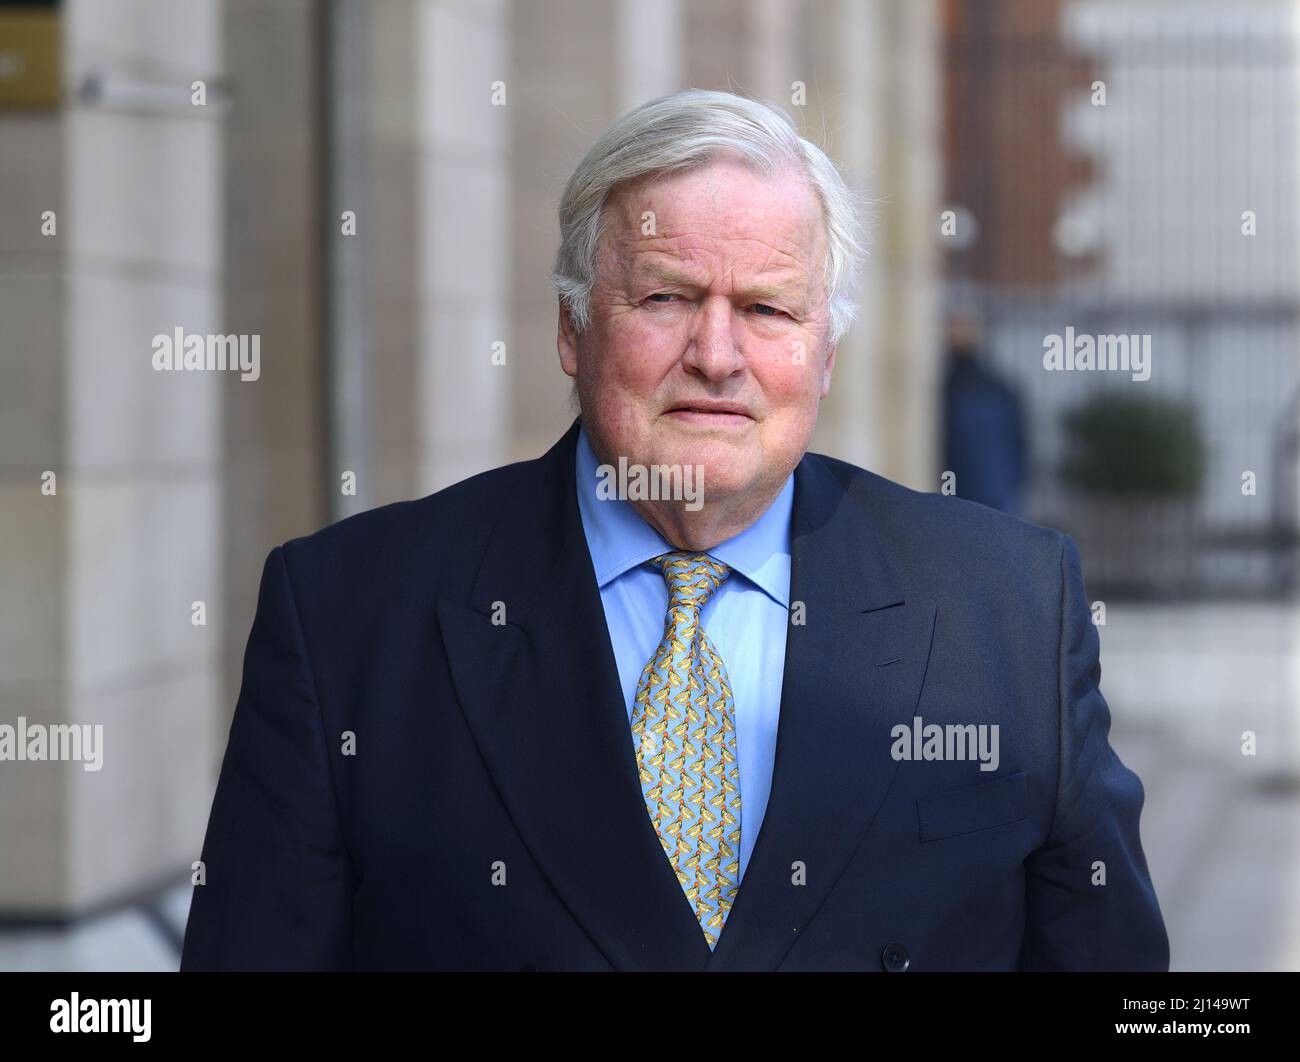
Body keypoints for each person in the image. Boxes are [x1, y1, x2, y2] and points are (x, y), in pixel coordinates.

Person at [181, 89, 1168, 971]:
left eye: (768, 308)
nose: (717, 354)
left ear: (825, 350)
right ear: (571, 330)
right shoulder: (349, 615)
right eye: (665, 297)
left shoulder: (1006, 606)